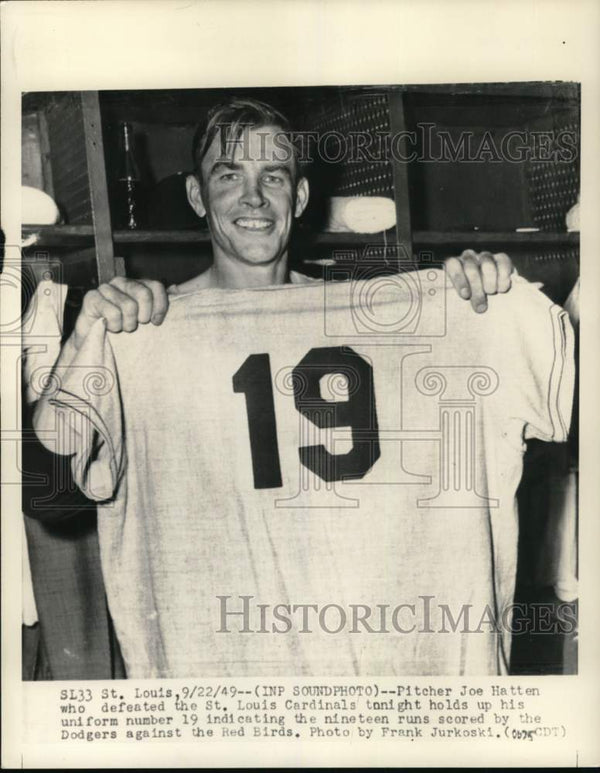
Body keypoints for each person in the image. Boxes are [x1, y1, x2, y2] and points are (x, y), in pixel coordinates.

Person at [30, 98, 522, 678]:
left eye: (274, 176)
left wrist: (484, 298)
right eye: (229, 174)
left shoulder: (379, 324)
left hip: (366, 673)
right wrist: (85, 339)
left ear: (302, 197)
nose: (254, 197)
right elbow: (48, 494)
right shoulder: (145, 331)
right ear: (196, 197)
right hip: (224, 681)